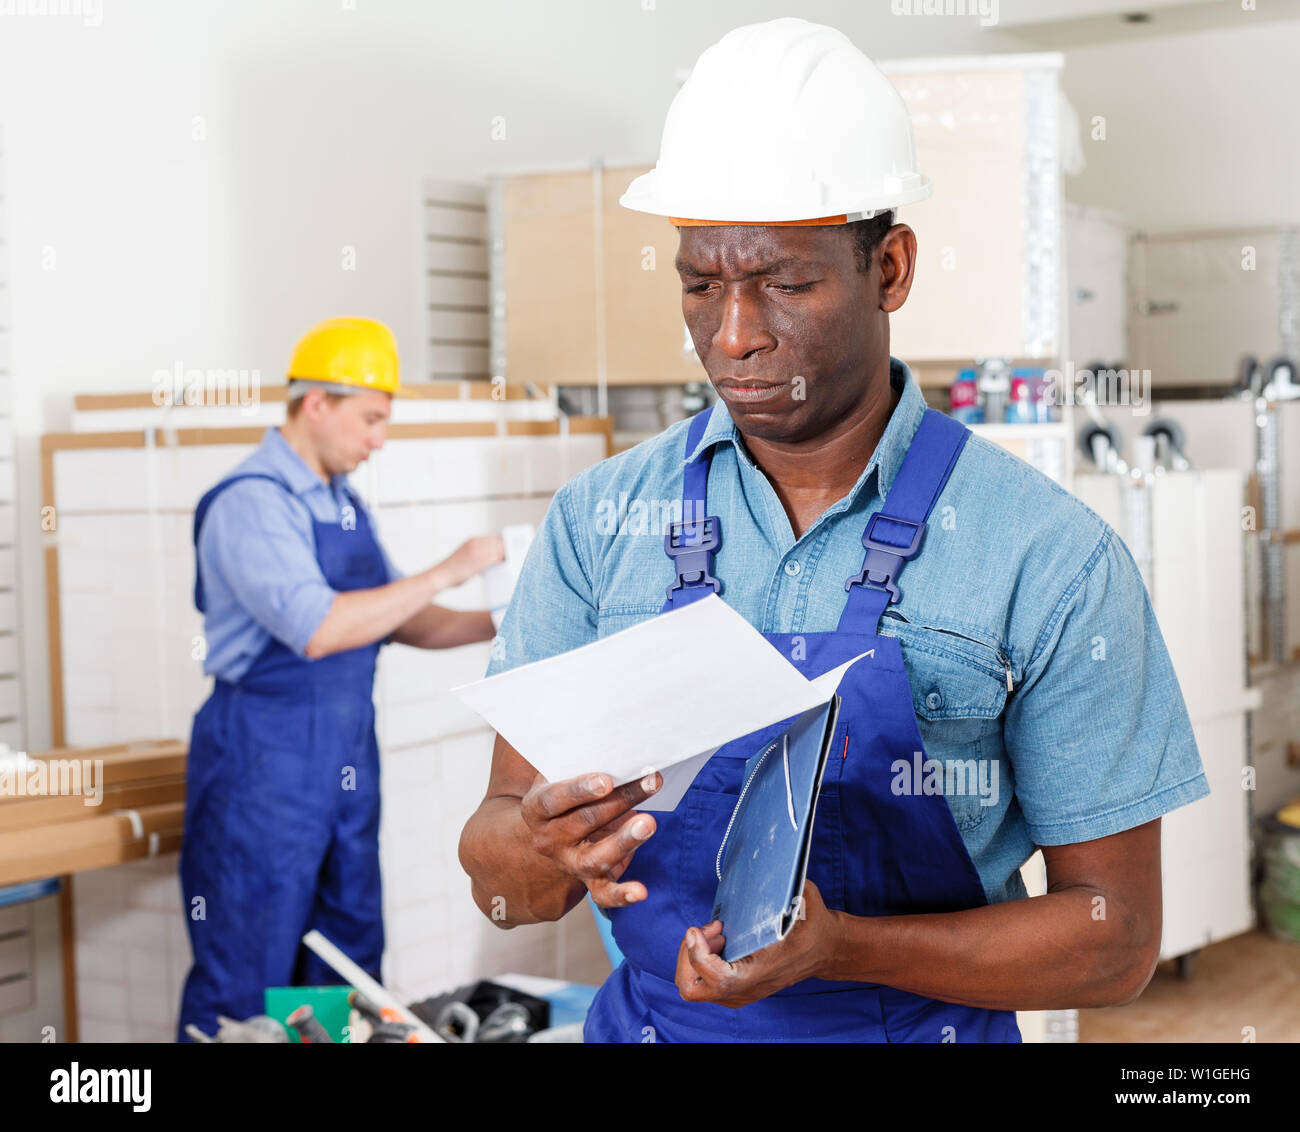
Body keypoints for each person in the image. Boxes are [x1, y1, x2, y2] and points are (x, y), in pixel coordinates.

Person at [459, 20, 1212, 1043]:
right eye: (698, 283)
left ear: (889, 269)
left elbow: (1115, 937)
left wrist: (849, 947)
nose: (733, 335)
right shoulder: (600, 525)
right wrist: (541, 853)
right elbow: (501, 866)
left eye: (784, 281)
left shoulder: (1046, 555)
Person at [178, 316, 502, 1040]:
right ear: (316, 403)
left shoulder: (340, 503)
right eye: (372, 419)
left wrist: (507, 618)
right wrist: (451, 564)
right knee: (246, 966)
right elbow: (320, 628)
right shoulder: (251, 501)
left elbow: (400, 617)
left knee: (347, 961)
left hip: (345, 761)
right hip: (262, 766)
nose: (379, 440)